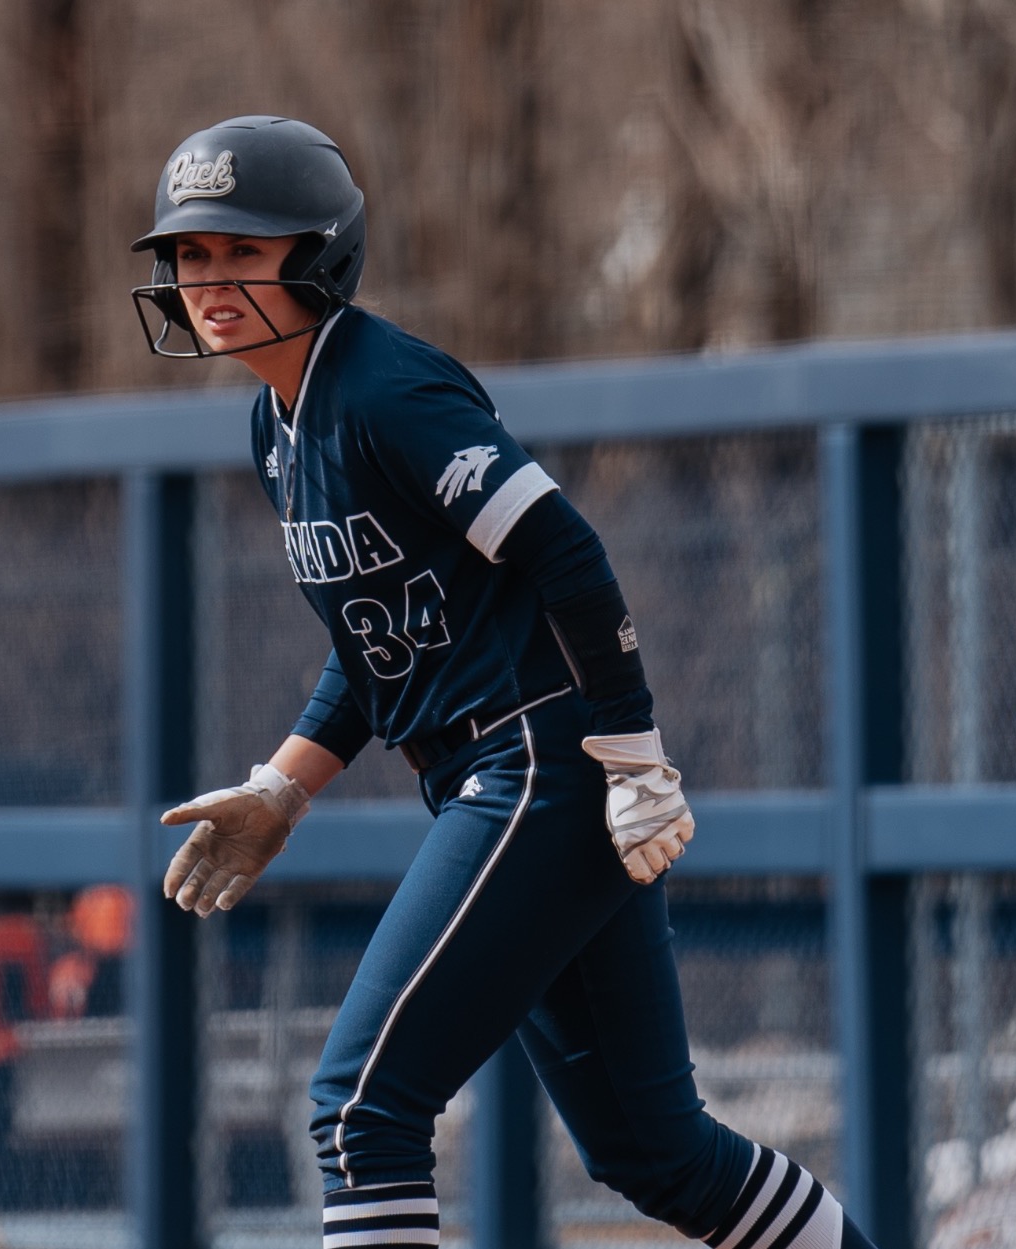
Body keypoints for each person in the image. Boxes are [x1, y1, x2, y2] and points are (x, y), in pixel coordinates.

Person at [131, 115, 877, 1249]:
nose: (210, 279)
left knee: (358, 1109)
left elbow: (563, 551)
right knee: (654, 1150)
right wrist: (284, 785)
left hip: (535, 763)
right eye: (190, 255)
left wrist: (631, 747)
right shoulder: (277, 423)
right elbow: (374, 635)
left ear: (318, 253)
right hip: (505, 771)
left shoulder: (383, 389)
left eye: (243, 250)